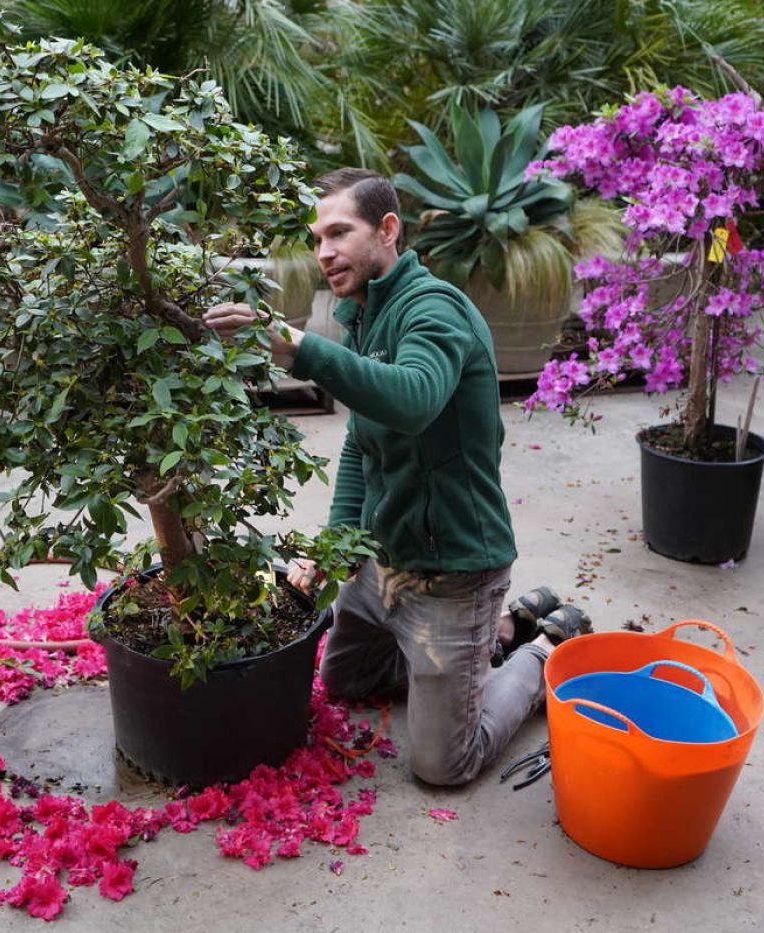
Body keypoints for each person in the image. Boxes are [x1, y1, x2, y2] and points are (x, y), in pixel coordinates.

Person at [203, 168, 590, 786]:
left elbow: (413, 399)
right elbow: (361, 444)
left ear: (387, 230)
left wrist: (294, 345)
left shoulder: (433, 310)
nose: (324, 252)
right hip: (383, 559)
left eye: (339, 232)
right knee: (346, 682)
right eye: (317, 238)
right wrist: (336, 547)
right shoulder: (363, 315)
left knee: (443, 766)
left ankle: (541, 653)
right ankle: (507, 627)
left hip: (452, 569)